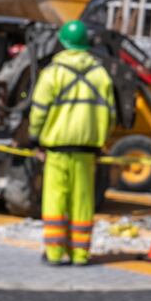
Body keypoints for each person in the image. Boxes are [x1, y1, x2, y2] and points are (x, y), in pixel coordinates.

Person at [28, 20, 115, 266]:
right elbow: (110, 115)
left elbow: (39, 110)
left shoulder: (52, 73)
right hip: (88, 151)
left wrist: (35, 137)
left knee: (55, 200)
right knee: (83, 202)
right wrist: (102, 140)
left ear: (63, 43)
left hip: (56, 149)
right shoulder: (101, 74)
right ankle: (80, 254)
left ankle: (55, 253)